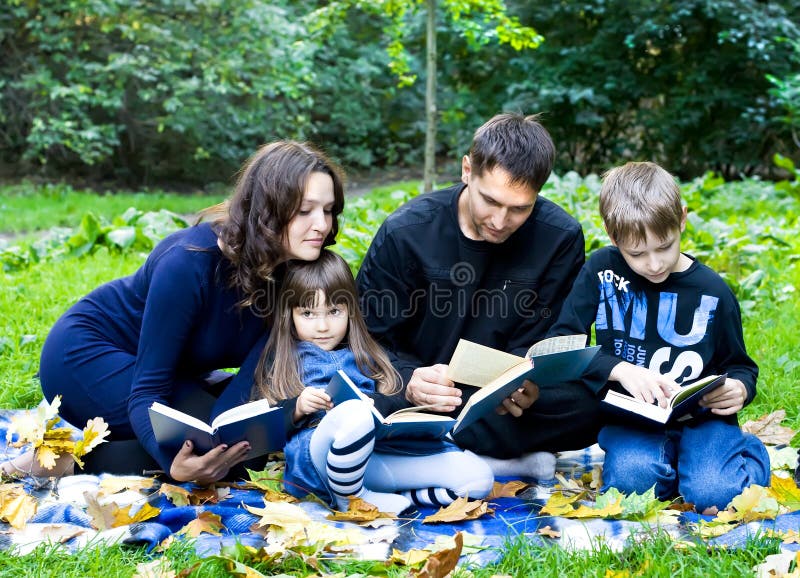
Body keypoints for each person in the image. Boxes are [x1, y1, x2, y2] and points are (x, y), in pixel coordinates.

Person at [1, 141, 345, 485]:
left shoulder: (293, 275)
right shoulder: (188, 261)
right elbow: (147, 391)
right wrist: (173, 463)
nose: (322, 225)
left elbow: (242, 395)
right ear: (268, 208)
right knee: (208, 458)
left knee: (238, 450)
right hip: (86, 355)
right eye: (305, 211)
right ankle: (63, 461)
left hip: (173, 369)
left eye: (328, 210)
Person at [355, 112, 603, 479]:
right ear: (467, 170)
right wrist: (411, 381)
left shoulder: (559, 237)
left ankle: (427, 453)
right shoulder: (406, 232)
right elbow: (369, 338)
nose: (500, 221)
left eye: (520, 208)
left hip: (500, 400)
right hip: (421, 388)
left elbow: (549, 339)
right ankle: (483, 457)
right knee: (362, 402)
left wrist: (526, 384)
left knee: (590, 406)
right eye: (490, 200)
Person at [548, 161, 769, 511]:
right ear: (611, 234)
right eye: (636, 253)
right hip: (633, 419)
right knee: (632, 487)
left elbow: (741, 366)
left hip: (704, 420)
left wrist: (740, 389)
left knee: (716, 495)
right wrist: (618, 369)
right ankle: (677, 465)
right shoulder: (601, 271)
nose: (653, 264)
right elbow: (563, 343)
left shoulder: (712, 291)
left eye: (665, 246)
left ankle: (746, 451)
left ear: (681, 219)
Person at [255, 249, 493, 513]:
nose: (322, 326)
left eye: (334, 311)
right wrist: (297, 408)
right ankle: (352, 500)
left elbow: (396, 397)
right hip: (316, 463)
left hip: (366, 460)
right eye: (308, 314)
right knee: (354, 413)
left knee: (478, 479)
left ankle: (388, 496)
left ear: (350, 312)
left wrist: (376, 405)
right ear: (290, 314)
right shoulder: (283, 360)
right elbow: (261, 426)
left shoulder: (366, 355)